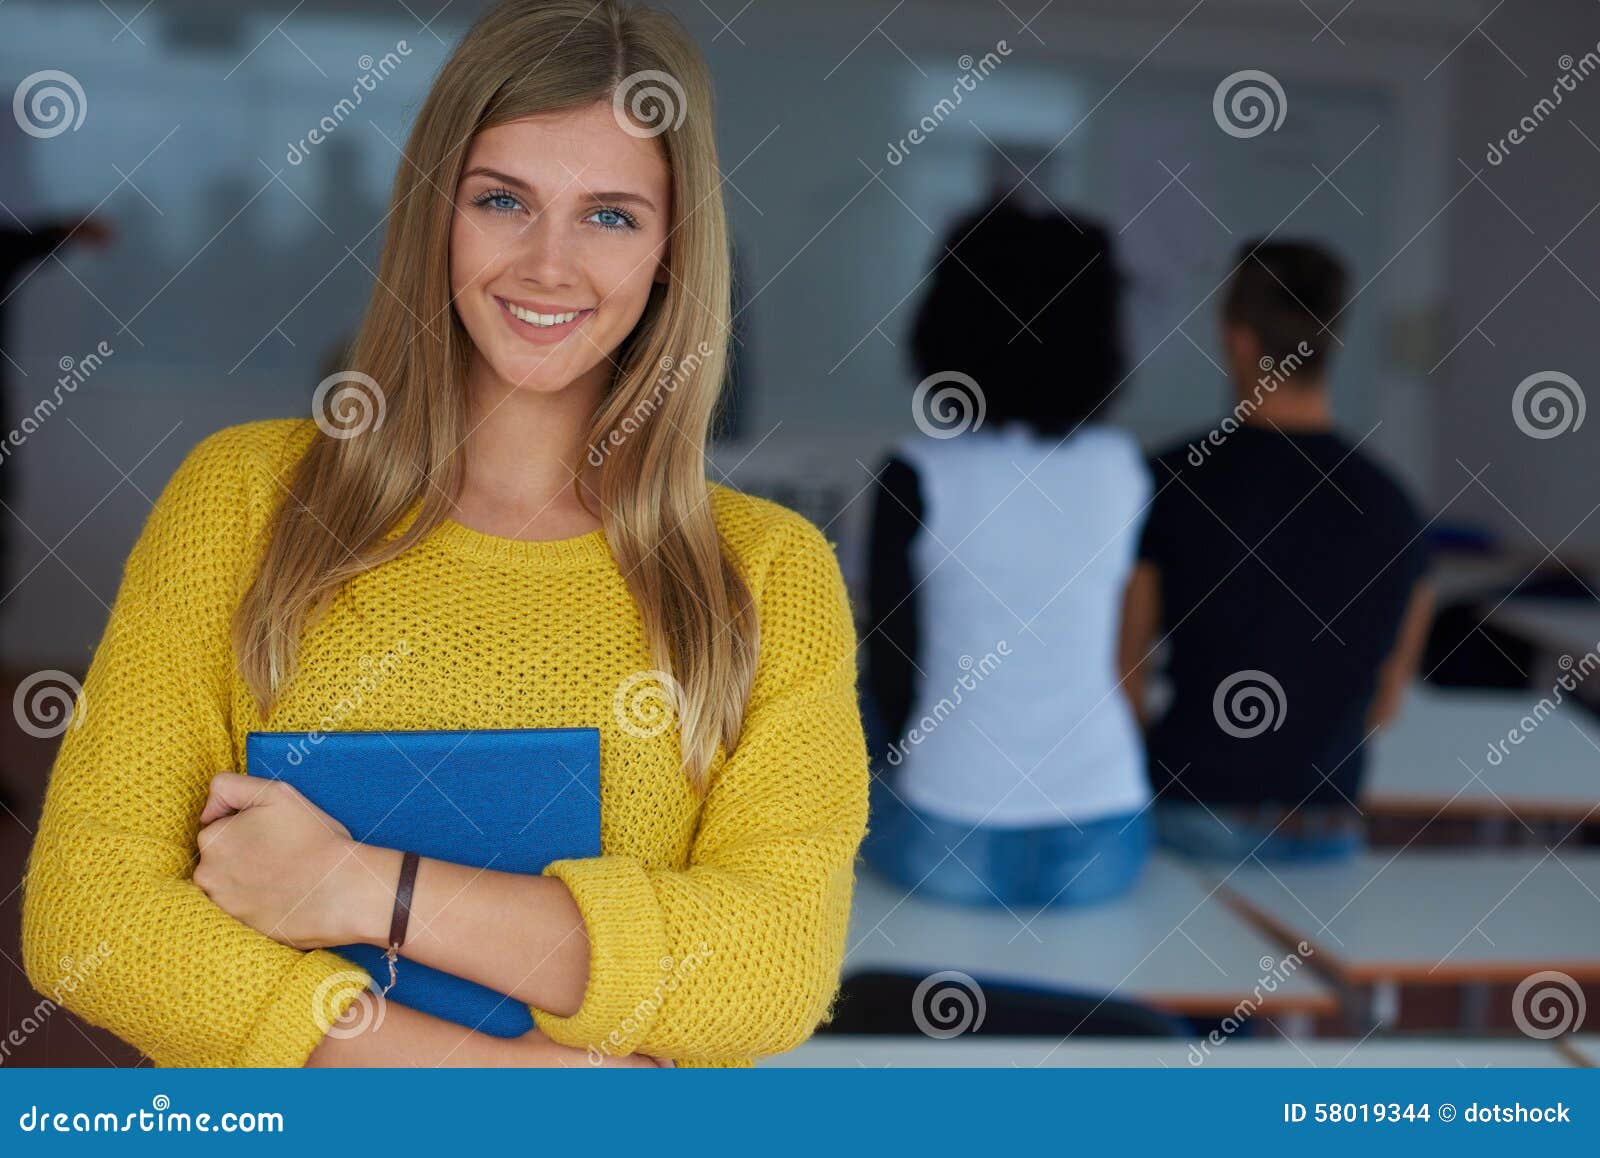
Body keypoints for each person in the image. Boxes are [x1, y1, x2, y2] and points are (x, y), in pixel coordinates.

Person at [21, 0, 869, 1069]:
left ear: (672, 251)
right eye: (502, 199)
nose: (548, 266)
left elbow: (769, 973)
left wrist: (353, 885)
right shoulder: (243, 501)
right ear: (435, 213)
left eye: (610, 215)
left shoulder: (767, 575)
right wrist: (500, 1084)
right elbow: (89, 917)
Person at [860, 198, 1153, 908]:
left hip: (942, 835)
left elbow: (893, 669)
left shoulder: (915, 472)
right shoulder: (1123, 468)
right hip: (1102, 838)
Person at [1121, 239, 1433, 862]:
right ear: (1332, 338)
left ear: (1237, 339)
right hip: (1327, 827)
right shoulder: (1395, 503)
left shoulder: (1169, 481)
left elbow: (1123, 673)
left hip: (1190, 814)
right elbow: (1386, 700)